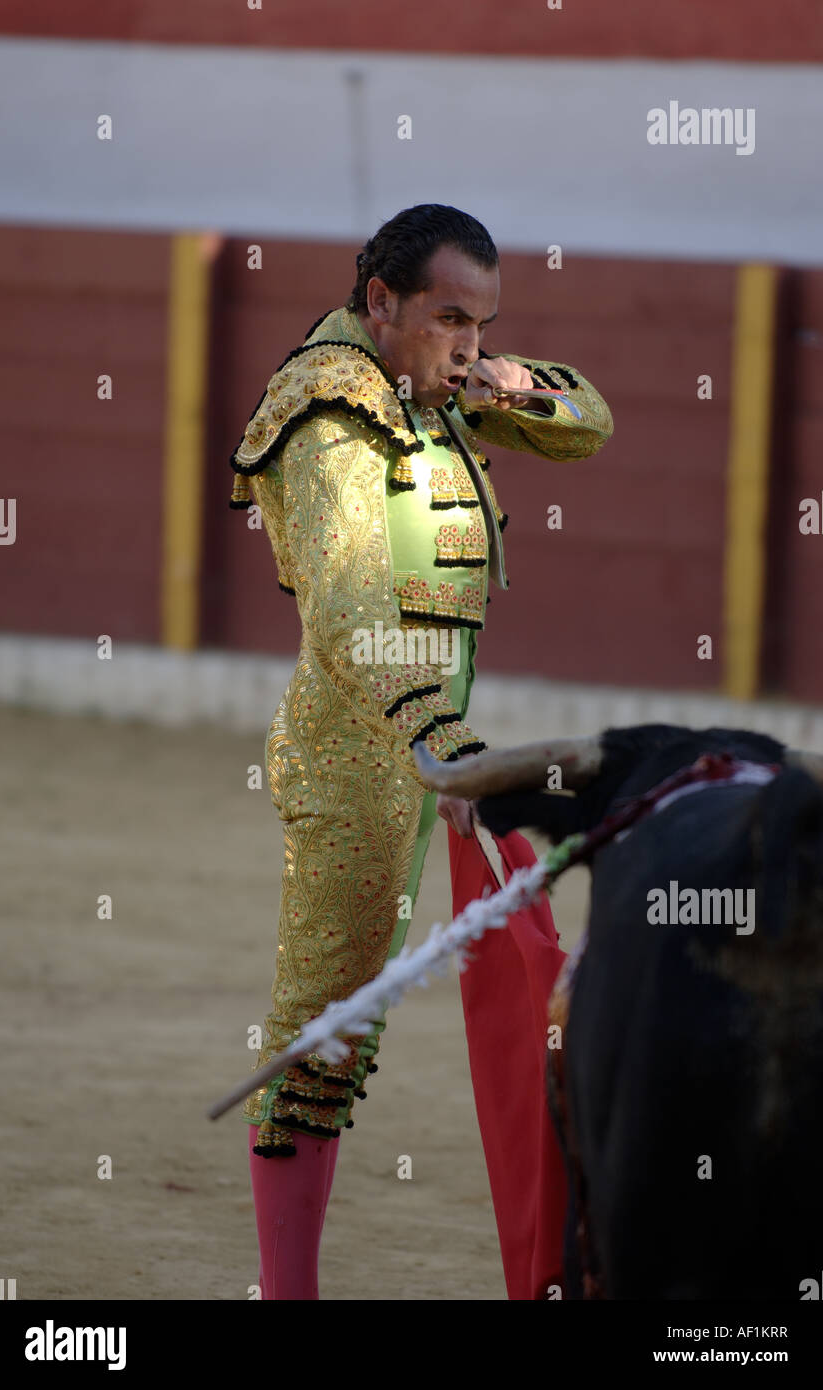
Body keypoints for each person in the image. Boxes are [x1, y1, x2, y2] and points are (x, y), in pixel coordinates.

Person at [228, 203, 613, 1298]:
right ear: (377, 303)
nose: (468, 344)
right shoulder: (324, 413)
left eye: (483, 324)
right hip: (358, 761)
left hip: (433, 755)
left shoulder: (429, 389)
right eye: (450, 319)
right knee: (325, 1027)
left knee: (352, 1027)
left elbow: (591, 425)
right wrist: (438, 744)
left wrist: (511, 384)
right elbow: (354, 610)